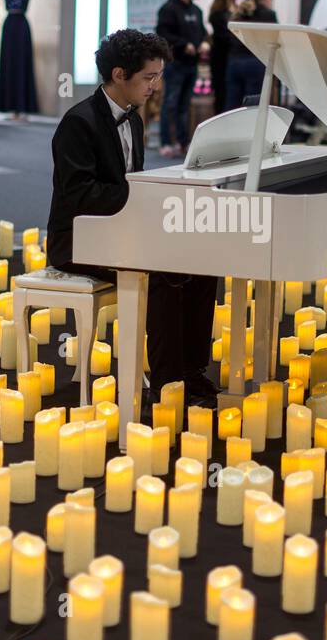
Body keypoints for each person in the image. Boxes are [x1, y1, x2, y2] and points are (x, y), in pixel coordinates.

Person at [47, 28, 221, 408]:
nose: (155, 86)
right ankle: (166, 383)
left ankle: (192, 371)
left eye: (158, 77)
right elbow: (80, 197)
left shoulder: (134, 120)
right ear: (119, 75)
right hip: (78, 240)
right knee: (164, 274)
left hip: (121, 233)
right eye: (148, 77)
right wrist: (143, 194)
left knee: (204, 264)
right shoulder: (78, 124)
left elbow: (129, 185)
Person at [155, 0, 208, 158]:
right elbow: (162, 33)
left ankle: (183, 142)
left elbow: (202, 32)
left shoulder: (196, 10)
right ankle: (166, 142)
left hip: (191, 65)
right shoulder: (169, 8)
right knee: (170, 104)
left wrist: (203, 42)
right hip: (175, 64)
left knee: (184, 106)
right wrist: (183, 44)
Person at [225, 0, 278, 109]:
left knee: (232, 107)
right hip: (255, 62)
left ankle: (230, 128)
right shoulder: (269, 14)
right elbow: (274, 39)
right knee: (252, 107)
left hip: (234, 62)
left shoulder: (239, 12)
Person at [208, 0, 237, 114]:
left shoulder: (237, 9)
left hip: (233, 57)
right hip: (221, 58)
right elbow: (222, 35)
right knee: (221, 93)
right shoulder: (217, 12)